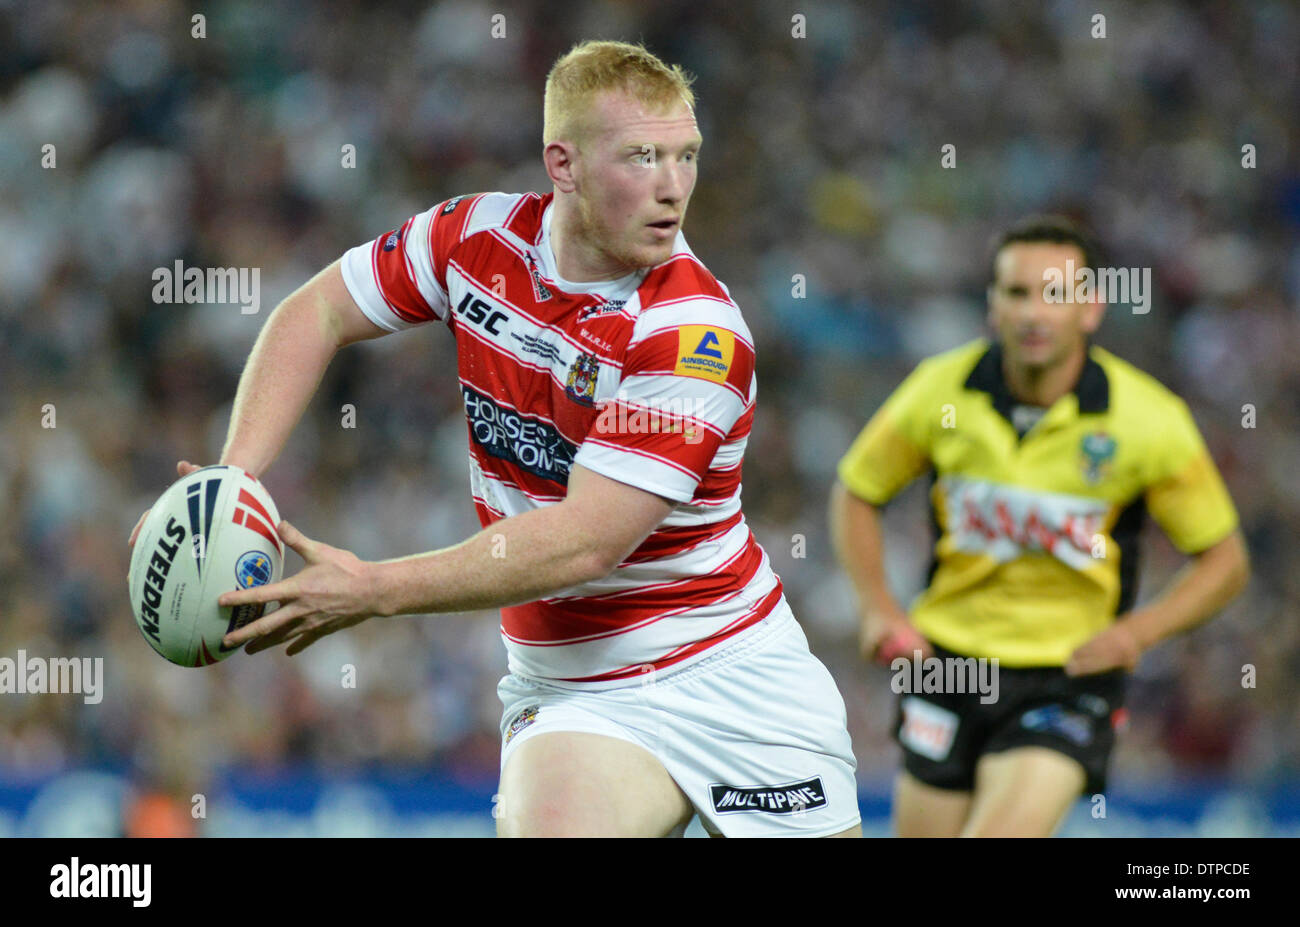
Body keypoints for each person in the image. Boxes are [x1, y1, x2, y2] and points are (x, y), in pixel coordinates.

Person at [130, 41, 860, 838]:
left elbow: (584, 545)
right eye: (642, 157)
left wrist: (374, 589)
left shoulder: (694, 330)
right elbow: (319, 311)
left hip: (733, 668)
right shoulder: (472, 238)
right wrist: (233, 480)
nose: (673, 187)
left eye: (686, 156)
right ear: (564, 164)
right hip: (579, 688)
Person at [829, 216, 1250, 837]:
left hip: (1068, 674)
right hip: (945, 666)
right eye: (1016, 293)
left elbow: (1225, 560)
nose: (1033, 313)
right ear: (993, 304)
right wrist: (877, 607)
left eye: (1056, 294)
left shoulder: (1149, 420)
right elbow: (857, 491)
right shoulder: (938, 392)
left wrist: (1138, 632)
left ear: (1091, 308)